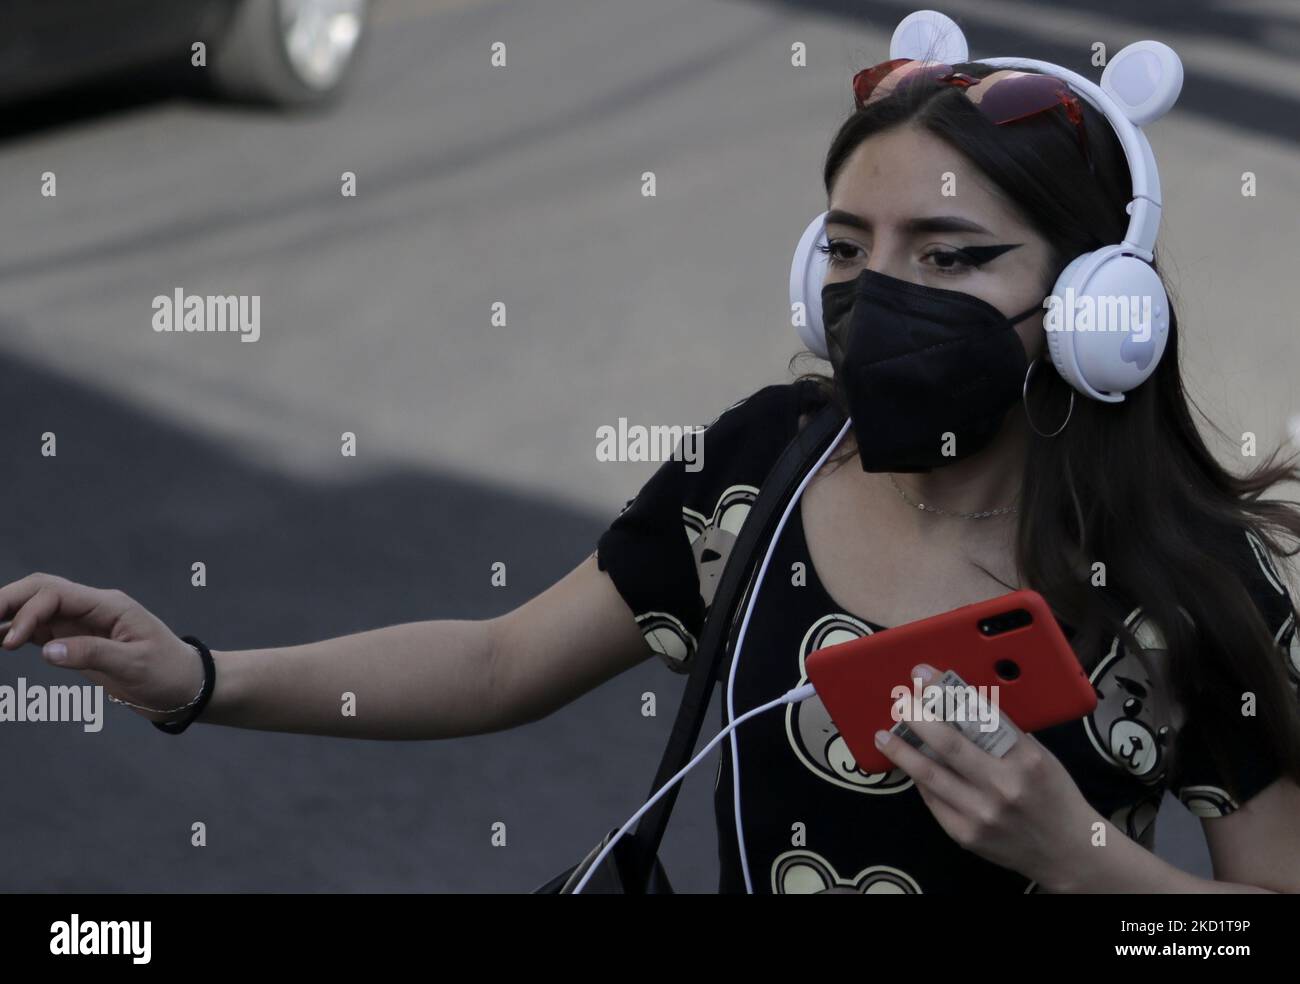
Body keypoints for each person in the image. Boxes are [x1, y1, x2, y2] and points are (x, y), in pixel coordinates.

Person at [4, 48, 1300, 895]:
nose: (881, 291)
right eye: (848, 248)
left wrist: (1077, 860)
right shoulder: (766, 466)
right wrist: (200, 676)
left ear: (1094, 305)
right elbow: (499, 663)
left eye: (952, 255)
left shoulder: (1194, 581)